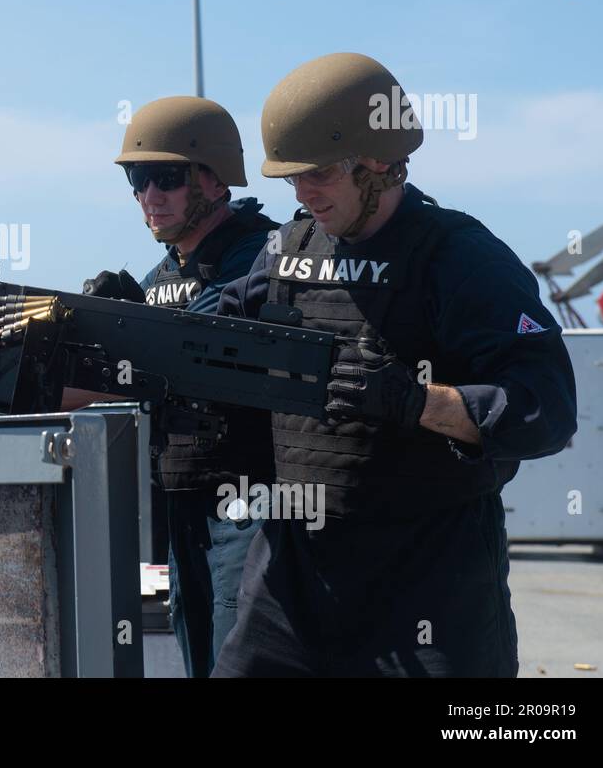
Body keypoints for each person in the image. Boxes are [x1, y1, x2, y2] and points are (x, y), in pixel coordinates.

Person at [212, 52, 577, 677]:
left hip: (428, 579)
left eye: (319, 174)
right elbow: (212, 341)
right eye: (291, 180)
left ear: (377, 163)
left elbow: (546, 407)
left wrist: (418, 403)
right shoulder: (285, 251)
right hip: (292, 578)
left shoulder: (460, 257)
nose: (302, 194)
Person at [85, 96, 278, 677]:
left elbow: (199, 337)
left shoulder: (262, 254)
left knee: (234, 656)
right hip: (185, 501)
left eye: (166, 177)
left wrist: (127, 325)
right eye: (138, 180)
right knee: (197, 651)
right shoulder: (166, 275)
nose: (150, 196)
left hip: (249, 501)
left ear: (215, 180)